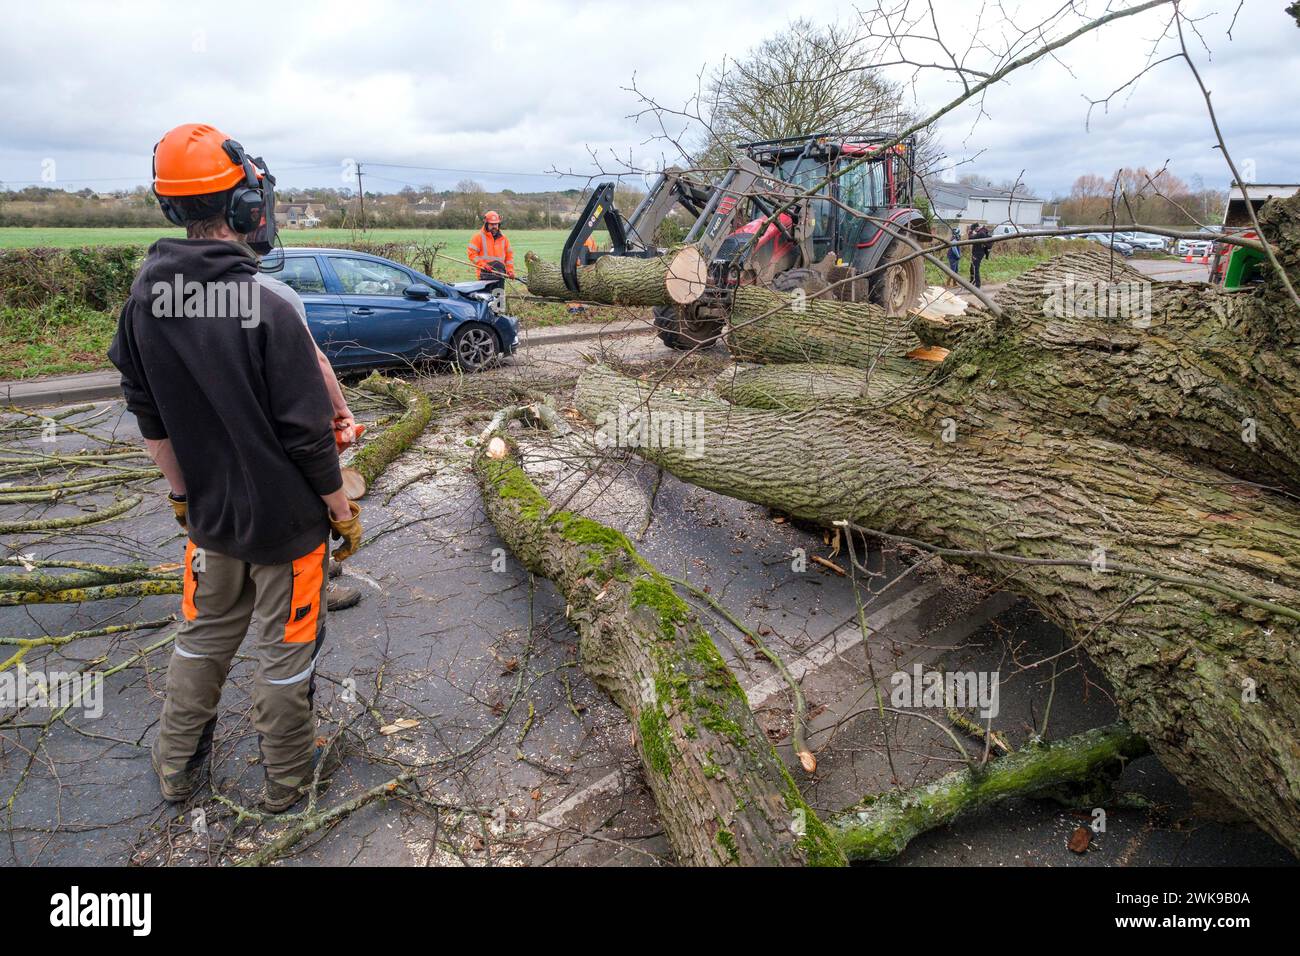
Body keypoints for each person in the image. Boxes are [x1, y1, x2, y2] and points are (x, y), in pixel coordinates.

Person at [108, 123, 363, 812]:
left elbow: (148, 414)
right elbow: (307, 434)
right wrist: (340, 510)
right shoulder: (269, 302)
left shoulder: (144, 302)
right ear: (250, 208)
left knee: (202, 643)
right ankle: (286, 783)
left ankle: (175, 769)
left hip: (212, 523)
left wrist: (185, 498)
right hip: (285, 526)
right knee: (287, 653)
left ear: (172, 208)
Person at [466, 210, 514, 290]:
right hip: (484, 274)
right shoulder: (478, 237)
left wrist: (510, 271)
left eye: (496, 224)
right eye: (492, 224)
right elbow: (472, 254)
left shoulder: (504, 239)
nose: (494, 226)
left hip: (500, 275)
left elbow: (509, 257)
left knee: (499, 300)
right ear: (486, 224)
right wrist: (483, 265)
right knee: (486, 299)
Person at [970, 224, 993, 288]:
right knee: (972, 268)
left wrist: (971, 232)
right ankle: (972, 282)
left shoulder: (980, 233)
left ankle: (977, 285)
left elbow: (970, 238)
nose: (974, 231)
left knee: (975, 269)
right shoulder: (983, 232)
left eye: (974, 229)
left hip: (977, 254)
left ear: (976, 228)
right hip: (979, 253)